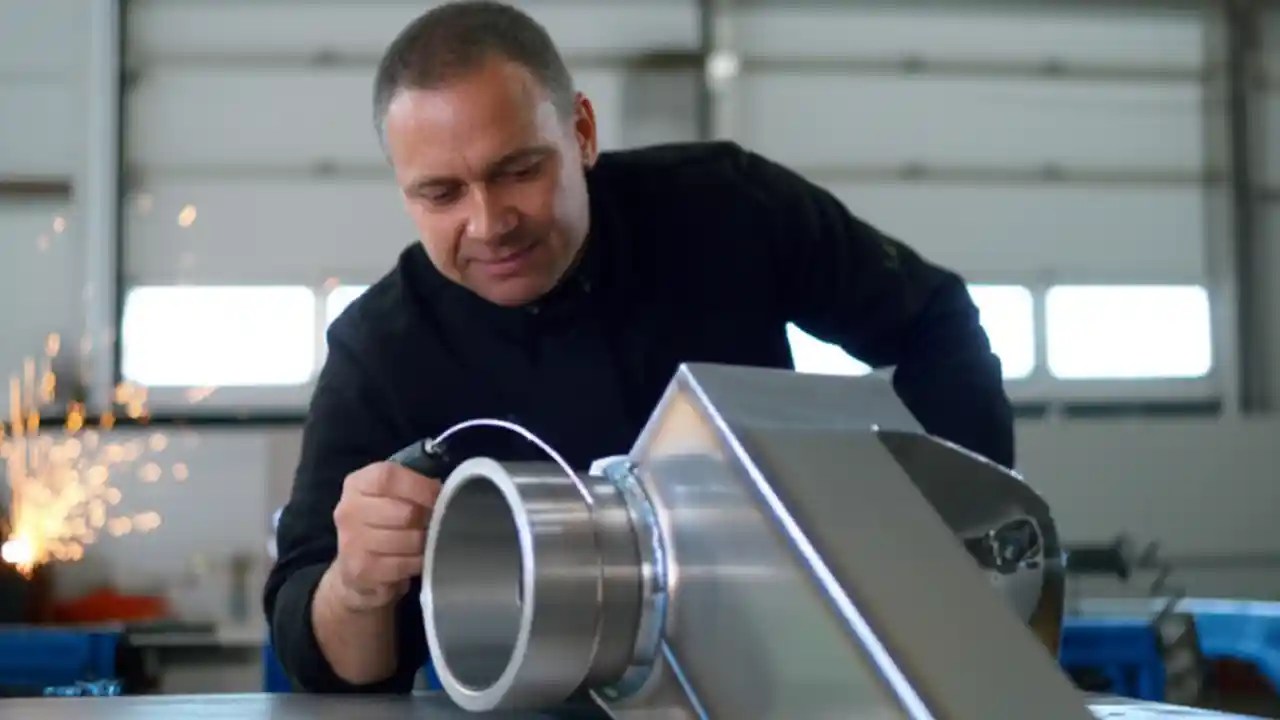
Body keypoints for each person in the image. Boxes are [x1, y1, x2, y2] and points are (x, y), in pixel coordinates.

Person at [264, 0, 1014, 694]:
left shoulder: (724, 210)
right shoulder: (380, 348)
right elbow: (323, 654)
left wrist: (945, 542)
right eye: (441, 194)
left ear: (582, 133)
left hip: (774, 682)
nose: (489, 224)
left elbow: (935, 321)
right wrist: (356, 587)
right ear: (405, 191)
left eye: (518, 170)